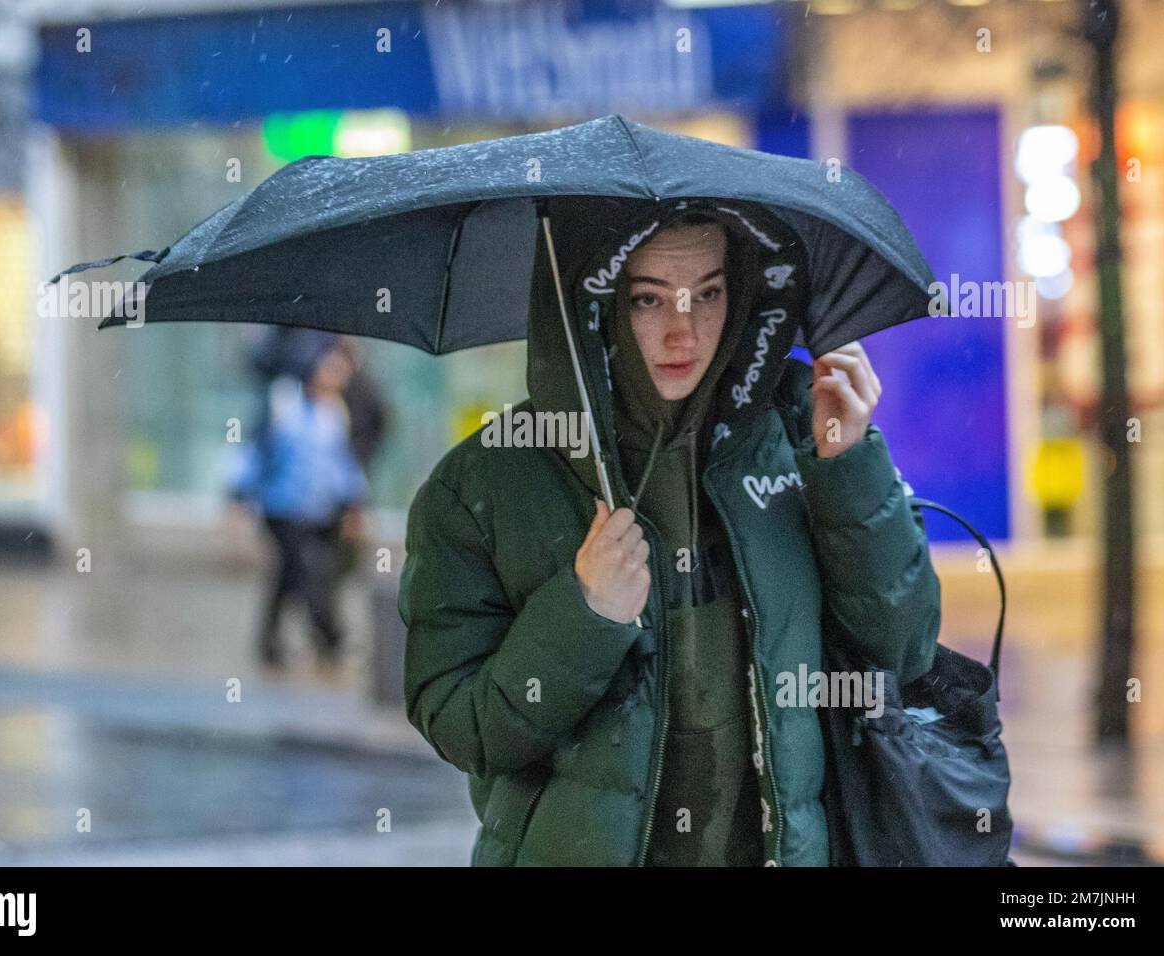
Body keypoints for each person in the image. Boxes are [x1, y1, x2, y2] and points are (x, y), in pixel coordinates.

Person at [398, 198, 942, 866]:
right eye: (649, 301)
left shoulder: (801, 433)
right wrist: (584, 616)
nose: (683, 333)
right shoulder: (484, 484)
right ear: (592, 309)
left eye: (707, 294)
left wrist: (849, 470)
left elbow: (902, 651)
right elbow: (461, 726)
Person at [231, 342, 367, 668]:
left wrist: (354, 505)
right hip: (283, 509)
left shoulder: (335, 412)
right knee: (304, 571)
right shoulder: (284, 406)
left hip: (322, 511)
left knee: (288, 577)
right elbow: (255, 452)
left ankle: (275, 641)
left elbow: (342, 464)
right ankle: (330, 637)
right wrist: (238, 497)